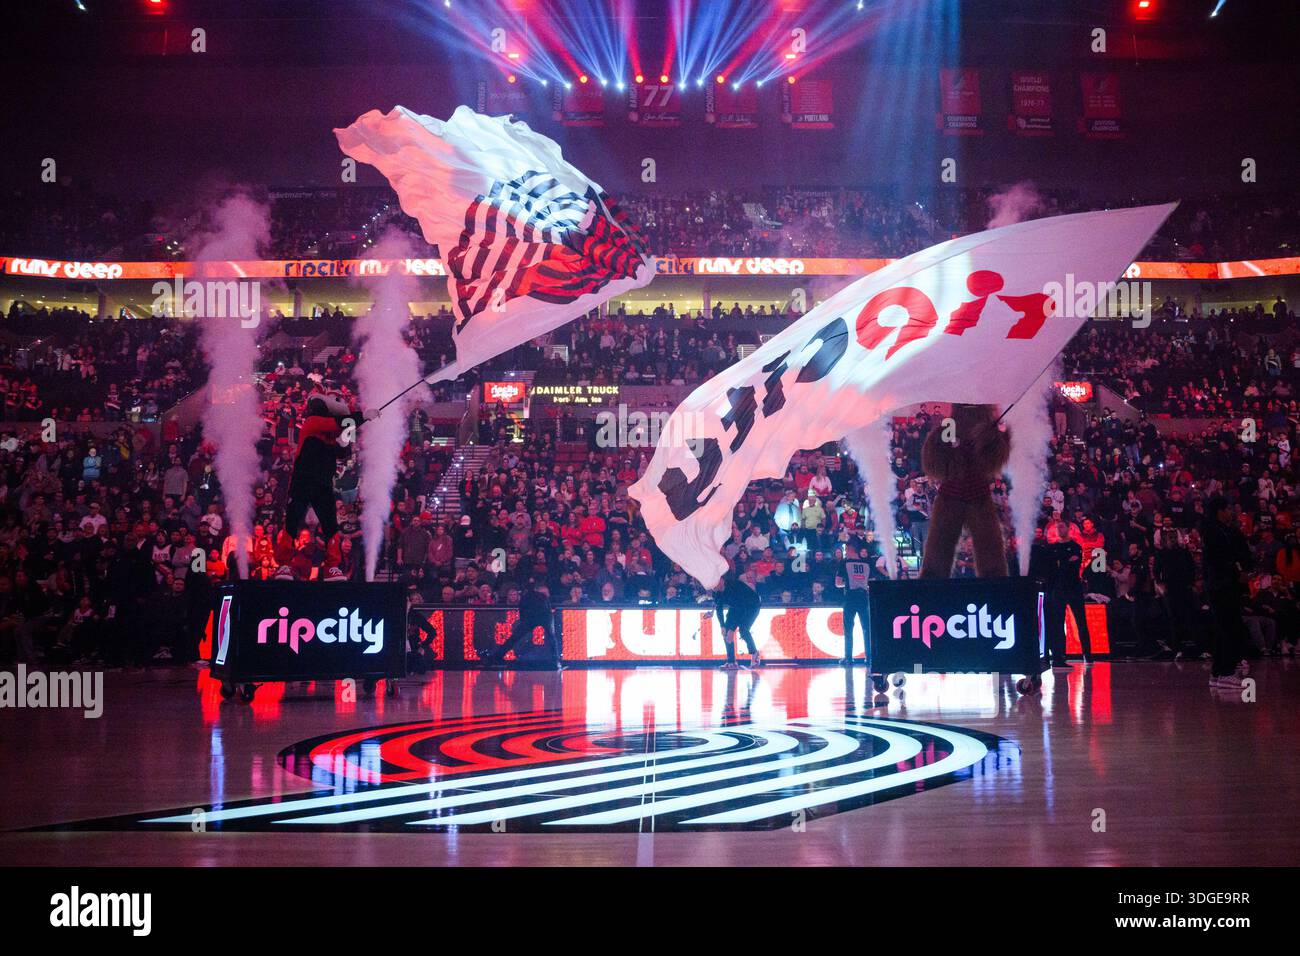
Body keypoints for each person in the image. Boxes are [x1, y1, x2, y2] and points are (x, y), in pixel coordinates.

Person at [275, 394, 357, 570]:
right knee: (292, 521)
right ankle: (283, 564)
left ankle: (333, 566)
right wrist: (362, 417)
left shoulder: (328, 435)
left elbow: (343, 452)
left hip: (322, 484)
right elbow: (343, 422)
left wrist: (345, 440)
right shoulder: (312, 422)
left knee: (330, 525)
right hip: (303, 482)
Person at [1201, 496, 1252, 689]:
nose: (1231, 513)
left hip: (1220, 585)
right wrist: (1237, 572)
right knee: (1230, 627)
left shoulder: (1218, 531)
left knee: (1225, 629)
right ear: (1220, 511)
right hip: (1221, 585)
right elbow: (1220, 560)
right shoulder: (1214, 533)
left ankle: (1217, 673)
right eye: (1228, 509)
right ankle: (1226, 672)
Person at [1044, 519, 1093, 668]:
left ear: (1068, 528)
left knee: (1081, 622)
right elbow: (1053, 568)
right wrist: (1064, 561)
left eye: (1061, 526)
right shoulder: (1052, 548)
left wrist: (1061, 562)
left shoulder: (1075, 546)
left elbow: (1072, 566)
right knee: (1058, 623)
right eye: (1057, 527)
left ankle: (1087, 655)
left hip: (1074, 588)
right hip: (1059, 589)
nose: (1059, 529)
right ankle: (1059, 656)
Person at [485, 580, 560, 669]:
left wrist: (524, 622)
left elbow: (522, 609)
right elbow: (548, 610)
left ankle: (496, 658)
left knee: (513, 638)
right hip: (542, 619)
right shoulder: (542, 597)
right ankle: (555, 660)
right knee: (551, 638)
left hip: (530, 620)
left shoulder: (526, 597)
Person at [715, 567, 761, 669]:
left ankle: (755, 653)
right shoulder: (717, 593)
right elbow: (719, 610)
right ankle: (731, 661)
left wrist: (732, 629)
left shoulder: (732, 586)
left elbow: (740, 607)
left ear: (721, 581)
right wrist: (722, 626)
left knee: (743, 630)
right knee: (726, 632)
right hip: (736, 607)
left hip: (751, 606)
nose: (714, 587)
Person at [838, 545, 871, 665]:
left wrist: (848, 583)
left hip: (850, 597)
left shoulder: (844, 563)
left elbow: (838, 583)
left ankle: (848, 658)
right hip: (863, 597)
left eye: (846, 549)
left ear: (852, 549)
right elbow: (869, 583)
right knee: (867, 628)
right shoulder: (867, 564)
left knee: (848, 628)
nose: (845, 551)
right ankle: (869, 657)